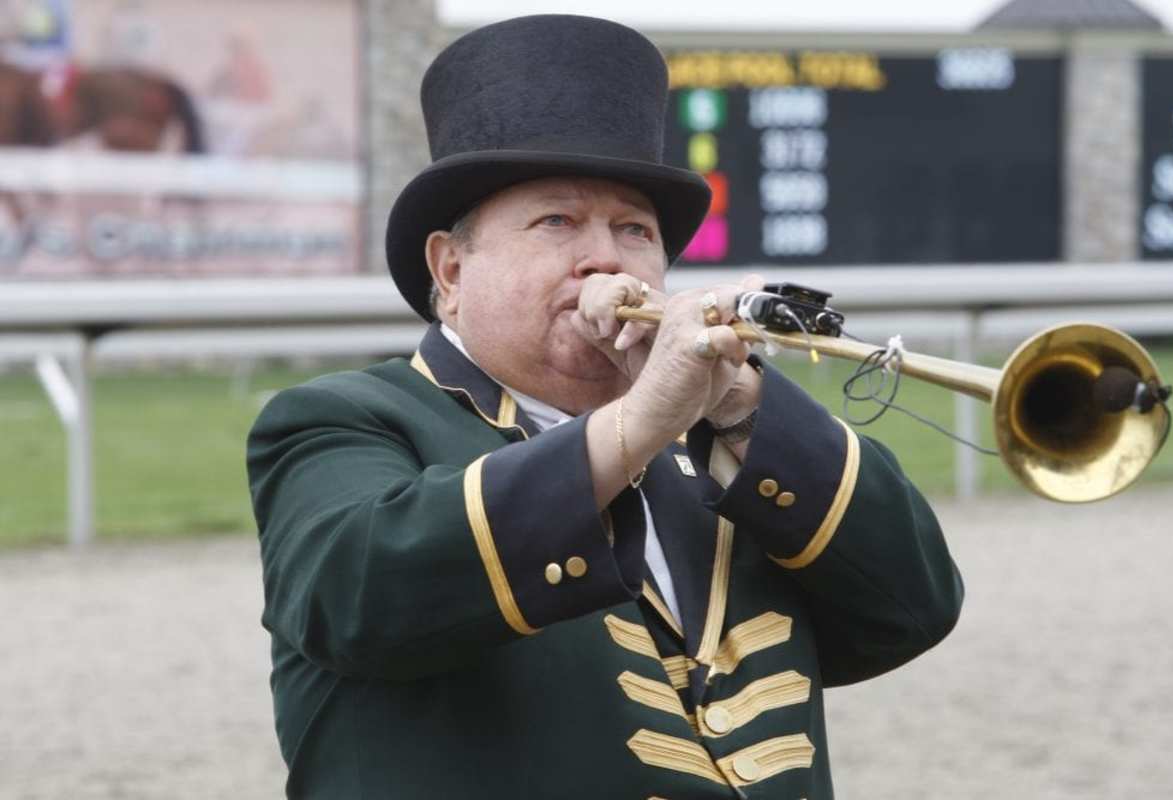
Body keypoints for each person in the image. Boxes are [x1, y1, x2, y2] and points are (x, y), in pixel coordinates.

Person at [247, 14, 963, 799]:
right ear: (451, 270)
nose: (607, 258)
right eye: (557, 221)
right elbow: (360, 597)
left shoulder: (725, 450)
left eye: (634, 229)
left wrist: (744, 408)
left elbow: (911, 606)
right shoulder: (337, 421)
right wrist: (636, 424)